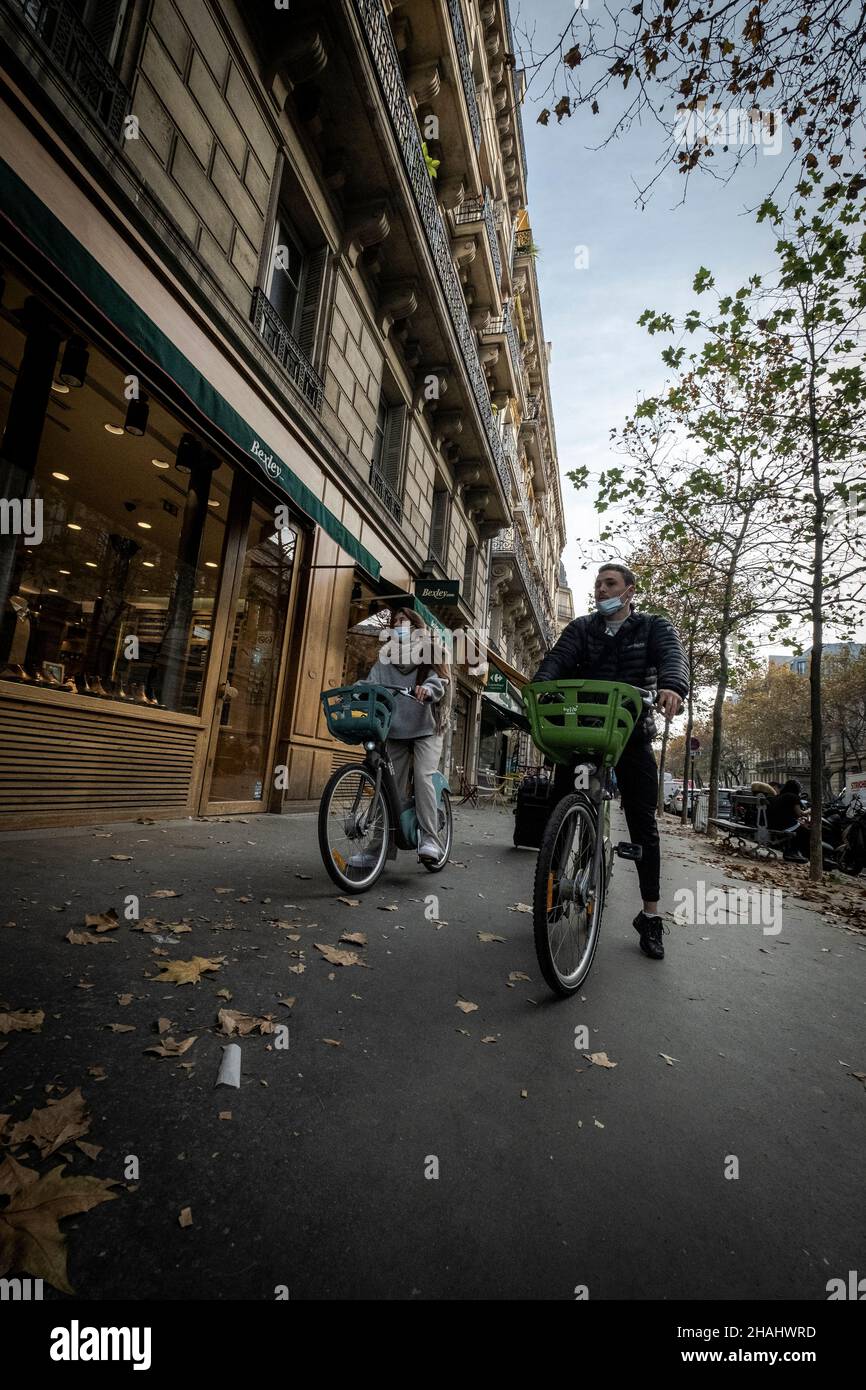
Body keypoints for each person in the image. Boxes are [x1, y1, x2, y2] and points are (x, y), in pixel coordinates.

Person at [531, 563, 689, 961]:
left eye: (610, 584)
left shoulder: (653, 627)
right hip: (583, 732)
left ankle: (650, 916)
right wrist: (540, 686)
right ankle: (550, 890)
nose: (601, 590)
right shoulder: (582, 628)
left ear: (630, 591)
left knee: (642, 822)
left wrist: (672, 685)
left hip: (631, 733)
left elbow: (672, 656)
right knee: (559, 810)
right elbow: (557, 660)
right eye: (598, 585)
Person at [358, 606, 451, 863]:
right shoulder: (386, 656)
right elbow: (371, 682)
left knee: (422, 777)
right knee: (389, 788)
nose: (399, 623)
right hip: (396, 729)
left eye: (404, 620)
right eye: (395, 620)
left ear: (415, 625)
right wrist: (354, 690)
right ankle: (379, 849)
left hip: (426, 728)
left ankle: (431, 839)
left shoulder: (427, 652)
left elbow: (438, 680)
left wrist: (428, 690)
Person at [766, 778, 810, 862]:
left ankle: (794, 852)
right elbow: (800, 813)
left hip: (772, 824)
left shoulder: (780, 796)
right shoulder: (793, 797)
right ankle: (793, 853)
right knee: (805, 831)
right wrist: (810, 810)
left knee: (801, 826)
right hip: (782, 825)